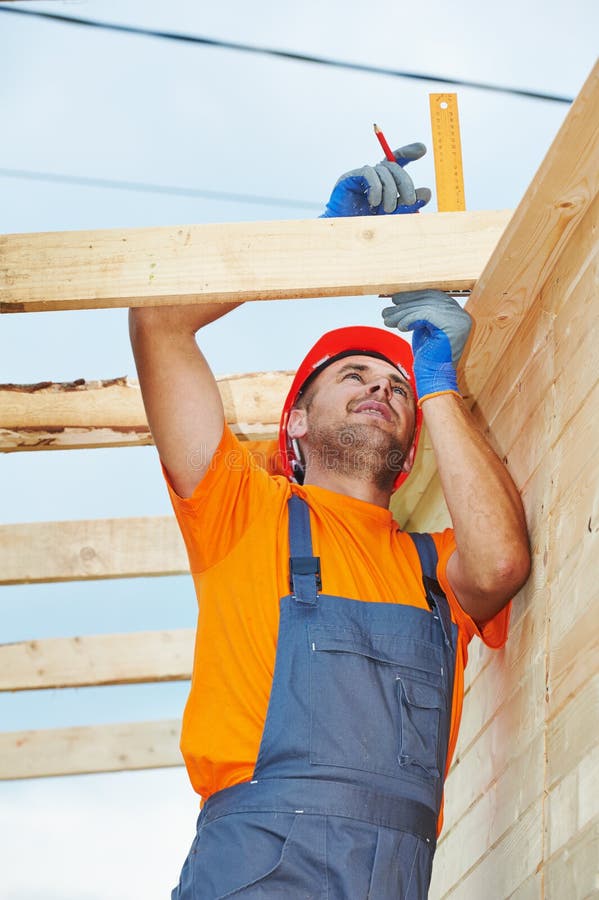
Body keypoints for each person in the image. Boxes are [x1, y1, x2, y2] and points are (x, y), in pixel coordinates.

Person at [129, 143, 530, 899]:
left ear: (411, 451)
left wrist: (438, 380)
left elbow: (502, 566)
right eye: (352, 376)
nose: (380, 387)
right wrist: (314, 244)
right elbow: (158, 323)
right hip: (260, 862)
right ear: (297, 426)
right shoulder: (239, 510)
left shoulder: (433, 567)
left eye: (395, 387)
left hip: (399, 873)